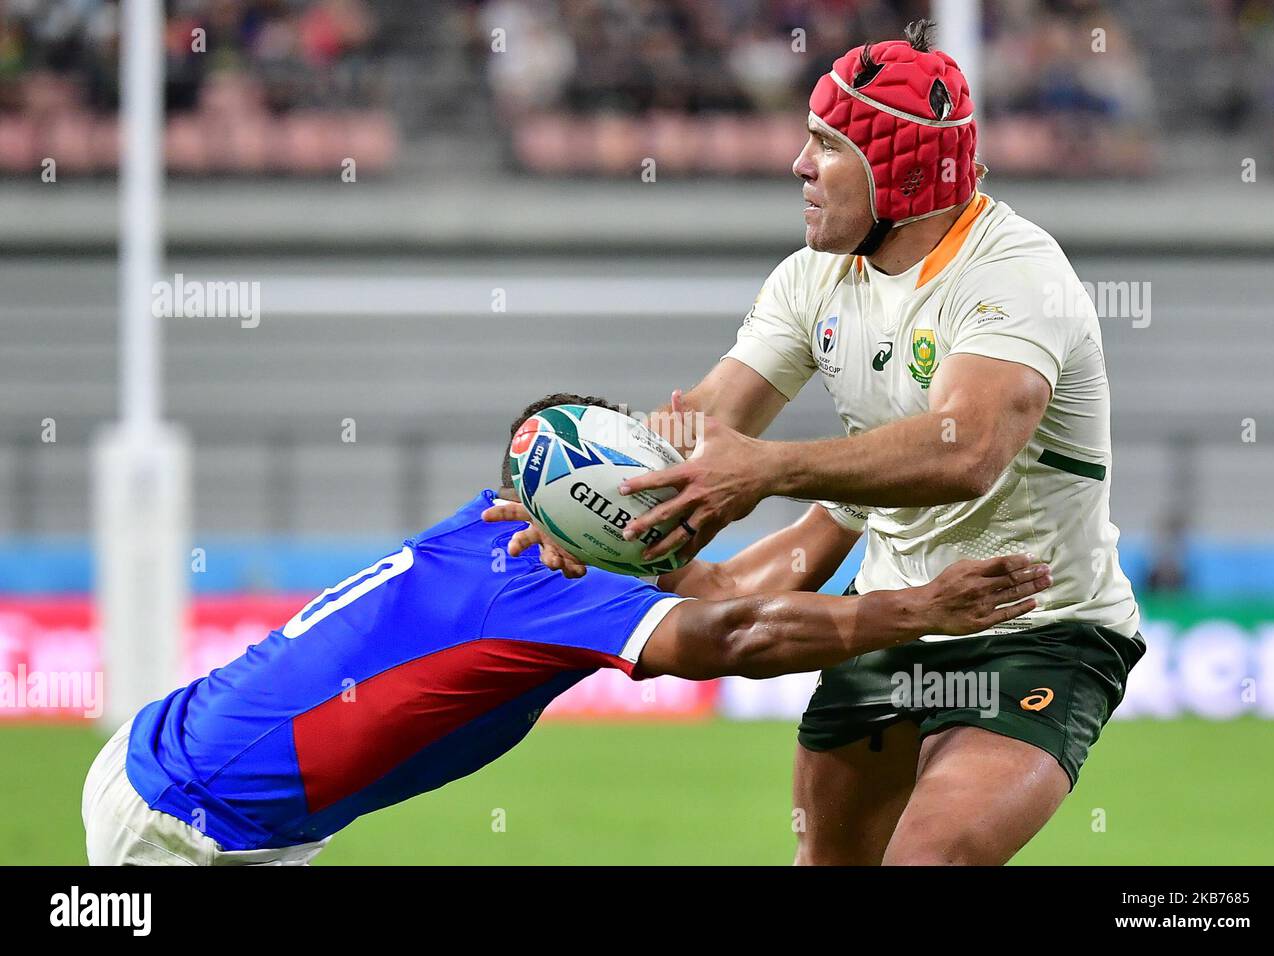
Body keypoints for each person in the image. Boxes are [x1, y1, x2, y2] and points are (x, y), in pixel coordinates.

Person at [499, 21, 1144, 866]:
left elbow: (968, 451)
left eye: (827, 143)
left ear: (900, 167)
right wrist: (583, 511)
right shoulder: (813, 278)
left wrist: (768, 471)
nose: (799, 165)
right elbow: (697, 432)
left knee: (928, 860)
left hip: (1038, 630)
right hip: (894, 625)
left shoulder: (1013, 274)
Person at [81, 393, 1049, 865]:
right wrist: (917, 608)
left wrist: (864, 494)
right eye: (647, 495)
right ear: (594, 507)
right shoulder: (540, 589)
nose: (673, 509)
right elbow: (733, 637)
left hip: (213, 789)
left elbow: (726, 591)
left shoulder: (518, 542)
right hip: (186, 821)